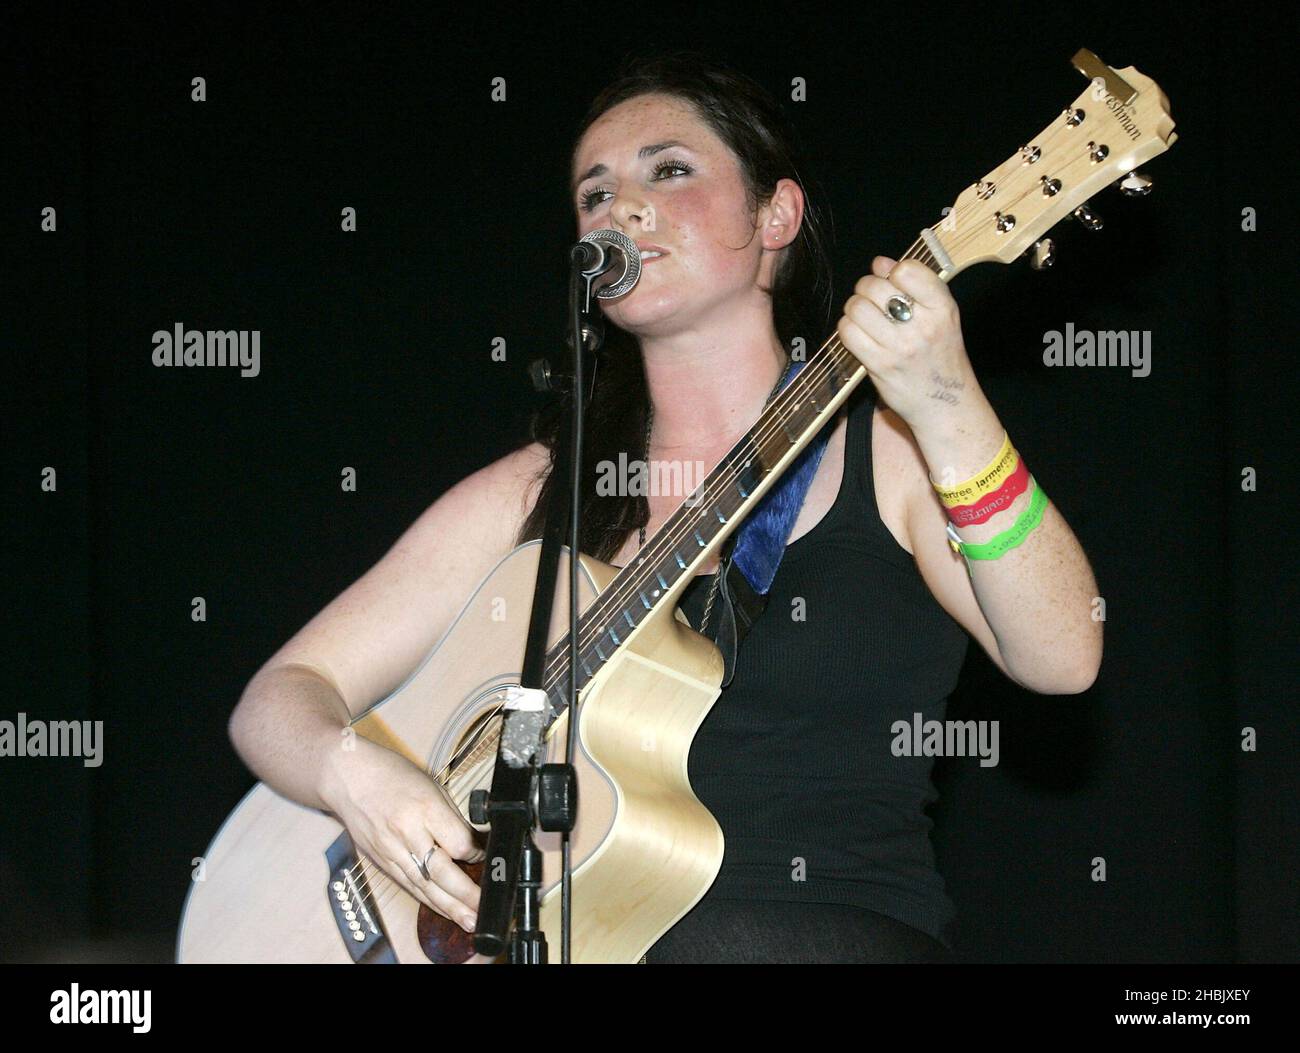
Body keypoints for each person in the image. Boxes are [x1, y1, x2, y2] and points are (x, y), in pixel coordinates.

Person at [228, 51, 1103, 964]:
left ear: (778, 215)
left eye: (670, 170)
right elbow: (276, 701)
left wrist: (949, 402)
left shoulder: (891, 453)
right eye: (593, 195)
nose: (621, 208)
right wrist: (354, 774)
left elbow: (1064, 654)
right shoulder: (541, 490)